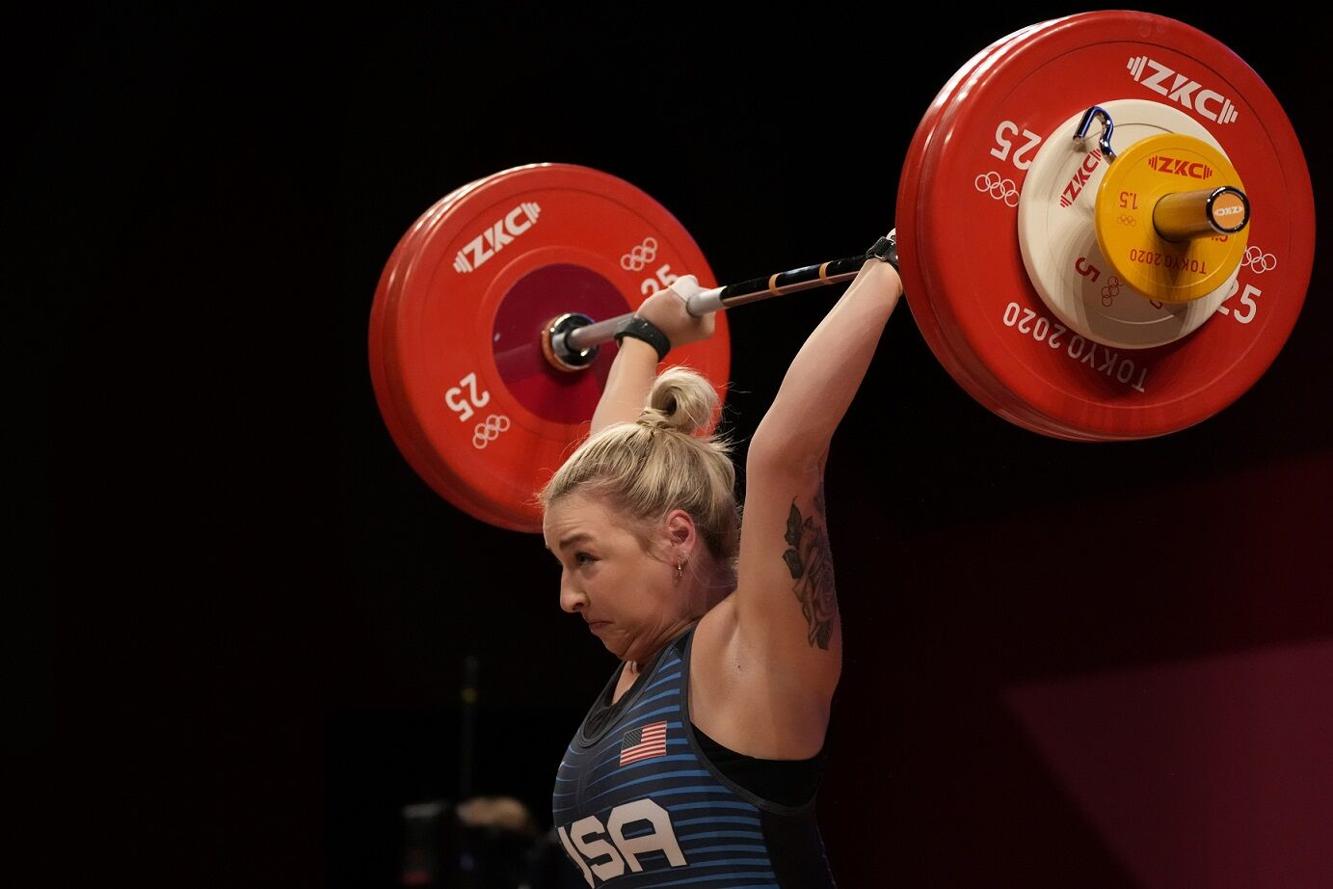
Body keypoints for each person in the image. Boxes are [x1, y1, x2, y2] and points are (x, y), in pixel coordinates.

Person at [540, 236, 902, 886]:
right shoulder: (638, 665)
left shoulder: (749, 659)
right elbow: (609, 482)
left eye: (582, 560)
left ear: (678, 537)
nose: (566, 596)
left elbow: (785, 452)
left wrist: (893, 267)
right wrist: (644, 335)